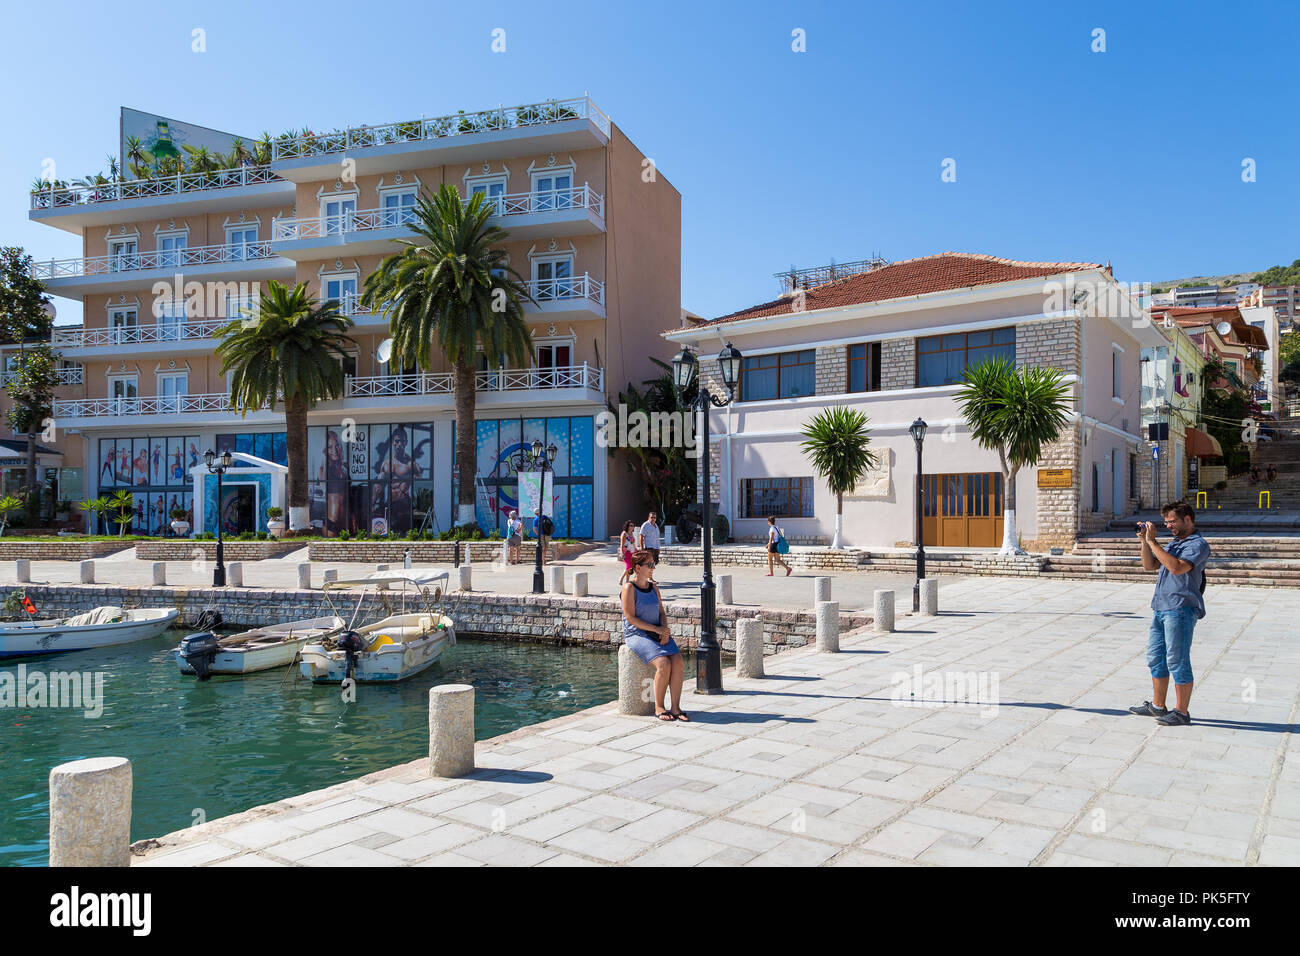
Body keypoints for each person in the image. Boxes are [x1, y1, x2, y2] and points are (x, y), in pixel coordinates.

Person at [1131, 501, 1211, 727]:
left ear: (1188, 519)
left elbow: (1177, 568)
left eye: (1172, 521)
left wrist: (1153, 541)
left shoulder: (1198, 545)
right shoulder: (1175, 543)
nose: (1169, 526)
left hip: (1181, 608)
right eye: (1166, 522)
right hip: (1161, 607)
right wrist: (1145, 542)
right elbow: (1149, 565)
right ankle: (1158, 706)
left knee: (1177, 660)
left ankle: (1182, 712)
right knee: (1156, 658)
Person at [620, 549, 687, 721]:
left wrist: (664, 629)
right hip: (637, 633)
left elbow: (662, 613)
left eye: (653, 564)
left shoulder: (654, 588)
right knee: (663, 663)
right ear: (637, 567)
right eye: (649, 565)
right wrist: (657, 630)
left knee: (677, 660)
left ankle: (676, 708)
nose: (653, 568)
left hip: (657, 631)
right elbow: (630, 618)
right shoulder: (629, 587)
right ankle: (659, 707)